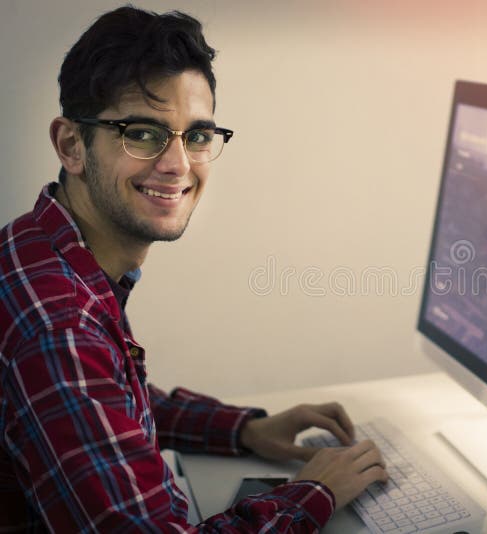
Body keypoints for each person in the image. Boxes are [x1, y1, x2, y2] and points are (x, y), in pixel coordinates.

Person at [0, 6, 388, 532]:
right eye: (142, 133)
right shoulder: (60, 323)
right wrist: (315, 492)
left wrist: (246, 430)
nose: (178, 164)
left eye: (198, 136)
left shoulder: (43, 250)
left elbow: (107, 403)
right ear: (71, 145)